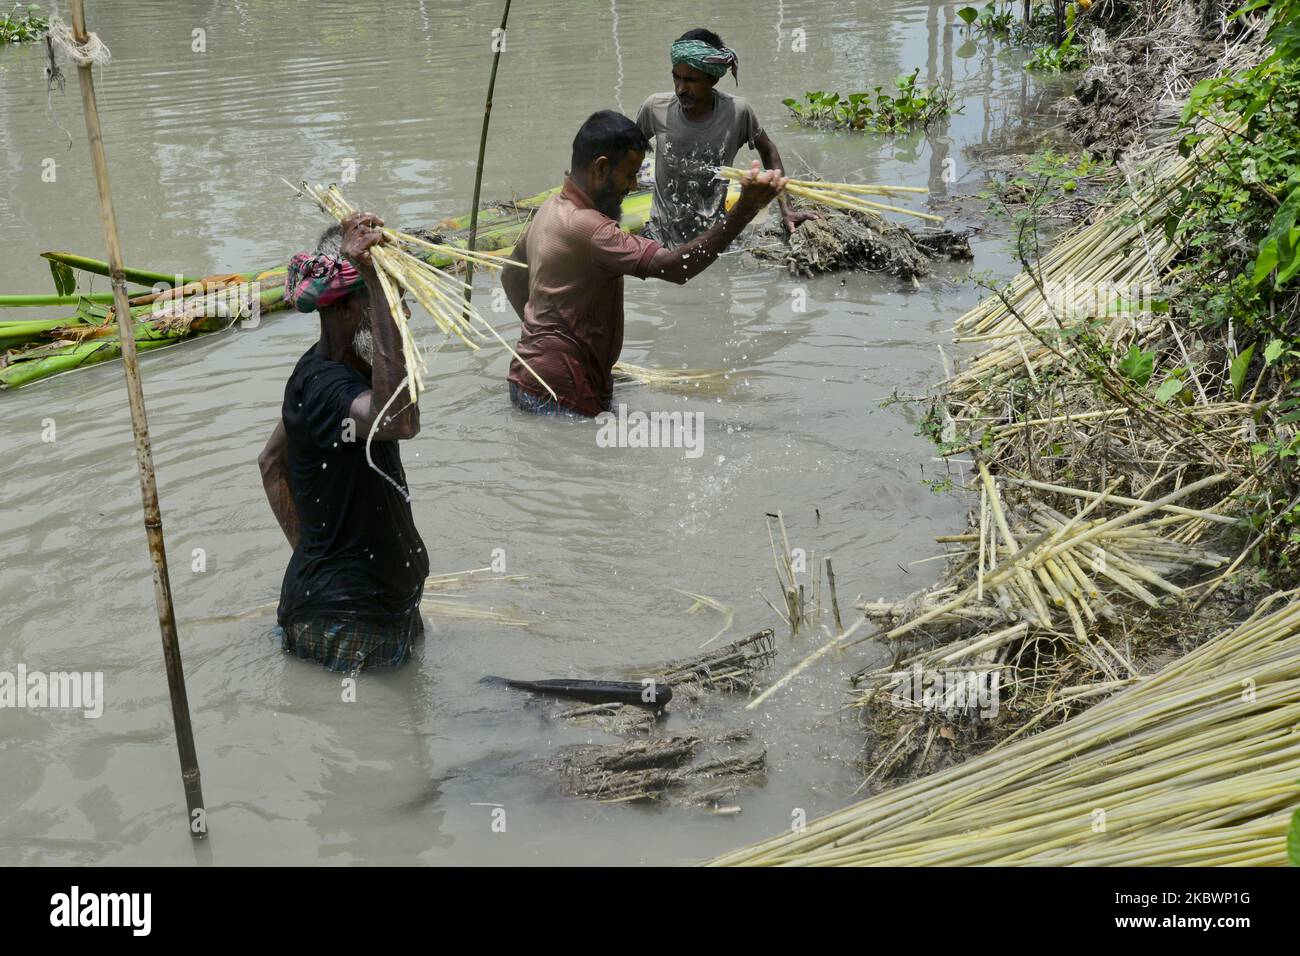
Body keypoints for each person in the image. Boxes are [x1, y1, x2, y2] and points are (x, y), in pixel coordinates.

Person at [502, 109, 788, 418]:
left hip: (529, 379)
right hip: (560, 393)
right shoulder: (592, 229)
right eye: (630, 173)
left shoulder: (548, 210)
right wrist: (744, 211)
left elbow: (510, 275)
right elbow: (676, 267)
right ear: (601, 169)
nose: (635, 185)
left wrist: (542, 340)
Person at [258, 212, 429, 672]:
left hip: (364, 612)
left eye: (401, 302)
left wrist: (317, 558)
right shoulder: (325, 385)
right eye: (388, 305)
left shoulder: (327, 375)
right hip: (349, 626)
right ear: (344, 310)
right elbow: (400, 420)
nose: (403, 316)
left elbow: (271, 461)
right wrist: (332, 572)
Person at [635, 27, 818, 248]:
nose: (680, 88)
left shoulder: (737, 112)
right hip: (659, 236)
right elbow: (628, 151)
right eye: (676, 77)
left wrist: (787, 209)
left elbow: (768, 150)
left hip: (716, 237)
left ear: (713, 78)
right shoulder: (655, 108)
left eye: (691, 80)